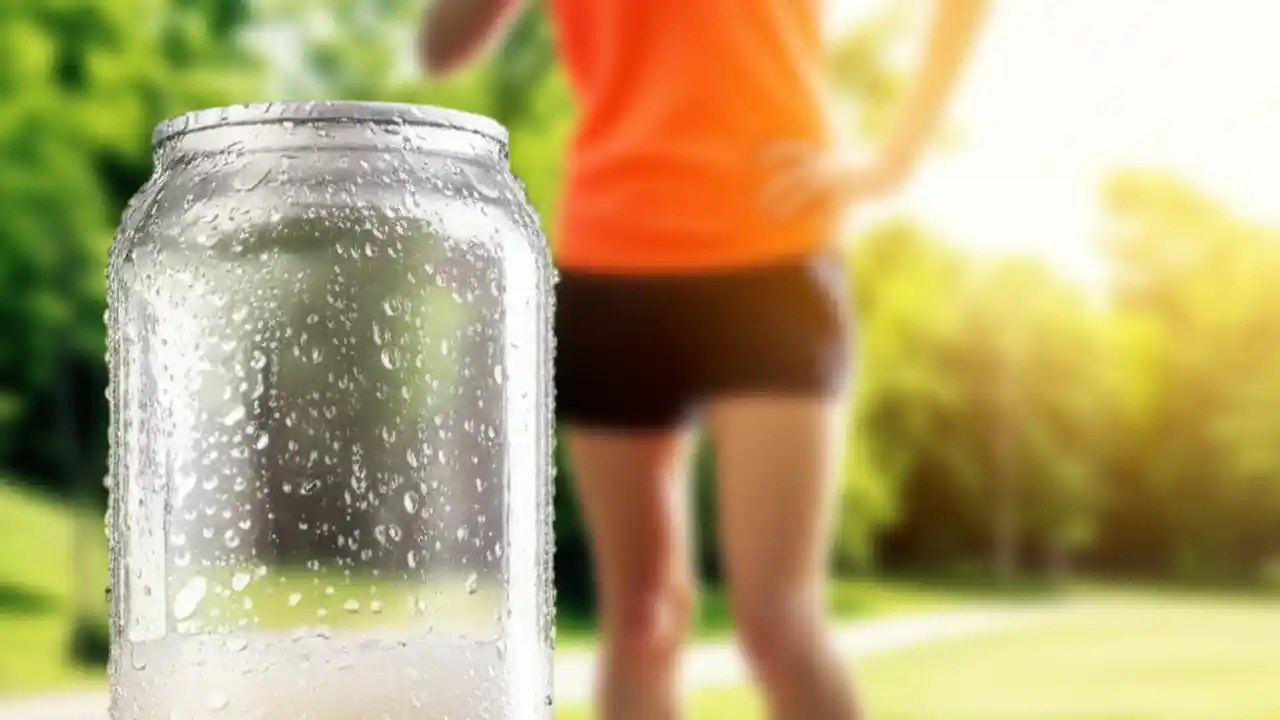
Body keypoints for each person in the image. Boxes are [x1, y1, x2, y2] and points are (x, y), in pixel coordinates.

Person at [421, 1, 986, 718]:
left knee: (778, 624)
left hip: (771, 253)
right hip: (614, 254)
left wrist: (894, 158)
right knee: (641, 619)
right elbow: (444, 45)